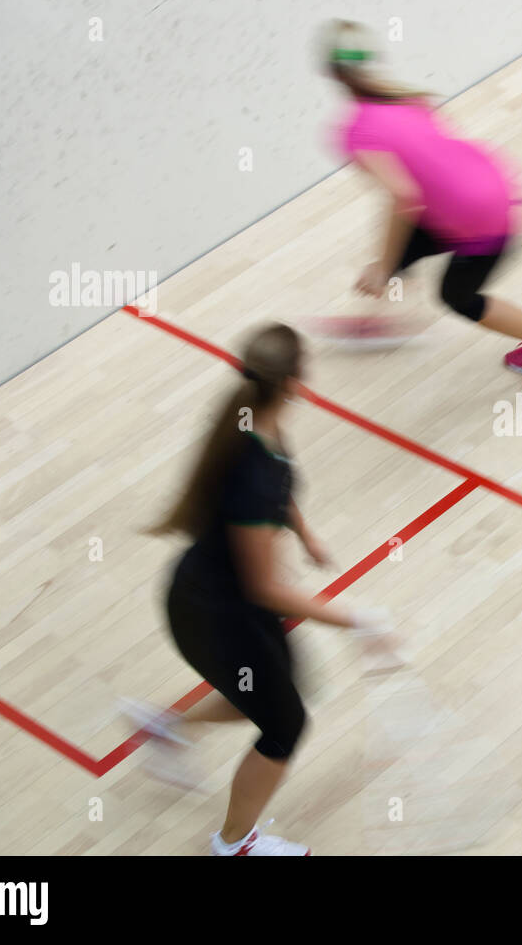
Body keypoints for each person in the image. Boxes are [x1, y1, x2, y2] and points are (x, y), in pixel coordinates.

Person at [139, 322, 398, 855]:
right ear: (297, 378)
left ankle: (167, 726)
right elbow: (264, 588)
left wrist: (304, 535)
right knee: (284, 727)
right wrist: (357, 620)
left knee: (277, 697)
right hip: (217, 614)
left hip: (214, 600)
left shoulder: (256, 421)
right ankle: (234, 843)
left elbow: (281, 481)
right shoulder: (254, 468)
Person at [320, 19, 522, 374]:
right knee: (400, 251)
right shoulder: (409, 98)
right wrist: (386, 262)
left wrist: (381, 265)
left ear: (332, 74)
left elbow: (403, 197)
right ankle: (380, 322)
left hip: (479, 219)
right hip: (490, 182)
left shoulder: (356, 131)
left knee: (457, 297)